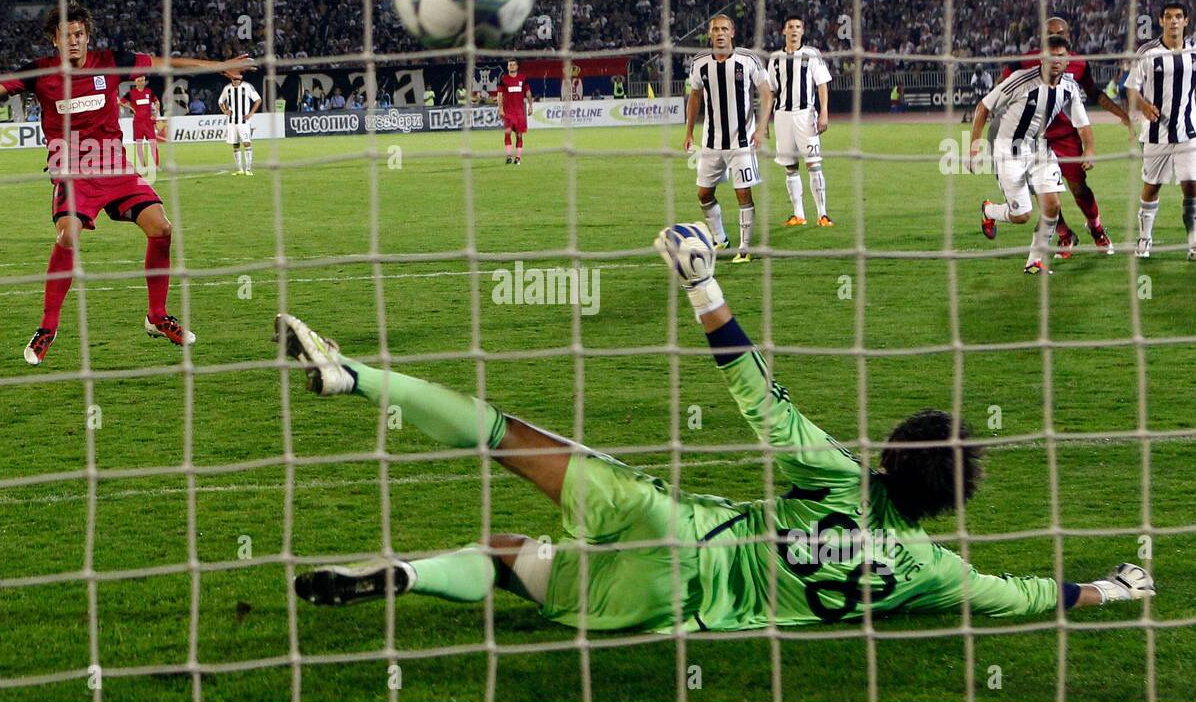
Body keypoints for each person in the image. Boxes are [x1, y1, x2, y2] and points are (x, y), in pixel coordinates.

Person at [280, 223, 1154, 628]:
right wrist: (1113, 588)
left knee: (501, 434)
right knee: (508, 556)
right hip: (665, 611)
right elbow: (1035, 595)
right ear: (945, 505)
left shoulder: (845, 477)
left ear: (891, 457)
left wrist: (704, 284)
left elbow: (760, 400)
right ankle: (403, 573)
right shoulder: (934, 570)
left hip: (670, 523)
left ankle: (348, 375)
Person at [0, 0, 252, 365]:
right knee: (67, 235)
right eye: (65, 35)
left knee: (161, 228)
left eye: (79, 34)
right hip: (72, 168)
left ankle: (157, 316)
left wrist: (220, 66)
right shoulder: (40, 72)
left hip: (114, 167)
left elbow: (165, 63)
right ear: (53, 40)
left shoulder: (110, 60)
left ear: (87, 36)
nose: (73, 41)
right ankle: (48, 327)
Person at [1000, 16, 1129, 257]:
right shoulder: (1026, 61)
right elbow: (1003, 83)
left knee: (1079, 188)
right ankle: (1064, 235)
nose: (1054, 37)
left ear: (1069, 36)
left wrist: (1122, 114)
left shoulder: (1078, 64)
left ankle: (1097, 230)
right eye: (1049, 34)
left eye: (1059, 32)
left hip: (1067, 136)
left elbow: (1094, 93)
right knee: (1043, 194)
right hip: (1035, 140)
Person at [970, 35, 1095, 274]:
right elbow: (984, 106)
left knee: (1052, 205)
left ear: (1068, 59)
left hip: (1039, 149)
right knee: (1022, 215)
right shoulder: (1021, 80)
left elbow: (1083, 125)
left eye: (1060, 56)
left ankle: (1034, 261)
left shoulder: (1070, 88)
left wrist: (1088, 149)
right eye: (1051, 56)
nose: (1055, 61)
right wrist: (974, 145)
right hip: (1009, 149)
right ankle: (989, 210)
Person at [684, 13, 764, 263]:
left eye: (724, 29)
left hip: (742, 141)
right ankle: (720, 239)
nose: (719, 33)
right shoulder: (699, 62)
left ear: (733, 32)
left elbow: (766, 92)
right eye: (715, 29)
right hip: (711, 142)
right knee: (703, 194)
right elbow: (695, 97)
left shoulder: (748, 59)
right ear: (709, 34)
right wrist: (688, 132)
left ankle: (744, 248)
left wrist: (760, 127)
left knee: (743, 194)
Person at [1125, 2, 1196, 260]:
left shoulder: (1194, 52)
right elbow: (1131, 88)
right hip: (1156, 134)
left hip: (1189, 133)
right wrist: (1142, 104)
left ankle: (1193, 243)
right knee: (1152, 186)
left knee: (1191, 186)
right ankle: (1144, 239)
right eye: (1168, 17)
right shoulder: (1147, 52)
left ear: (1186, 21)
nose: (1173, 21)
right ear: (1161, 21)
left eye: (1179, 17)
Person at [761, 14, 835, 227]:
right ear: (784, 31)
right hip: (782, 117)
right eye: (790, 27)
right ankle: (798, 214)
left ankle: (822, 214)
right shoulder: (775, 58)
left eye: (797, 27)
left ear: (802, 31)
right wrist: (764, 122)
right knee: (790, 167)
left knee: (813, 164)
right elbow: (771, 92)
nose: (794, 30)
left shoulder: (811, 54)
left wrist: (824, 112)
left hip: (805, 115)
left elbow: (822, 84)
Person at [218, 71, 261, 176]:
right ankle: (240, 169)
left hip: (244, 121)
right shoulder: (227, 88)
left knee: (246, 143)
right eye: (234, 78)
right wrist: (225, 111)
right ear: (231, 79)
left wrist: (251, 113)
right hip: (232, 122)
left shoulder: (247, 86)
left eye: (238, 79)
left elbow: (258, 100)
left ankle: (249, 169)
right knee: (235, 144)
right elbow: (220, 101)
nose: (236, 80)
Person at [119, 74, 161, 169]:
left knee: (153, 144)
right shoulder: (131, 93)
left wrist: (155, 115)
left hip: (148, 122)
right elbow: (120, 102)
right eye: (139, 80)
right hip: (137, 122)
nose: (141, 82)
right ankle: (143, 165)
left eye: (142, 80)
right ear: (135, 82)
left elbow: (157, 102)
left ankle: (156, 165)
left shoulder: (149, 92)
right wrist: (131, 108)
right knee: (139, 145)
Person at [496, 59, 533, 165]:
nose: (511, 66)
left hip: (520, 113)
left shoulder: (523, 78)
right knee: (507, 133)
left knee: (519, 136)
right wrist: (500, 109)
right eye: (509, 65)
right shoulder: (503, 79)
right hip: (508, 112)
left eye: (513, 65)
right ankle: (508, 156)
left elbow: (528, 92)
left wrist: (530, 106)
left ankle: (518, 158)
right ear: (507, 67)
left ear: (517, 67)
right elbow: (499, 95)